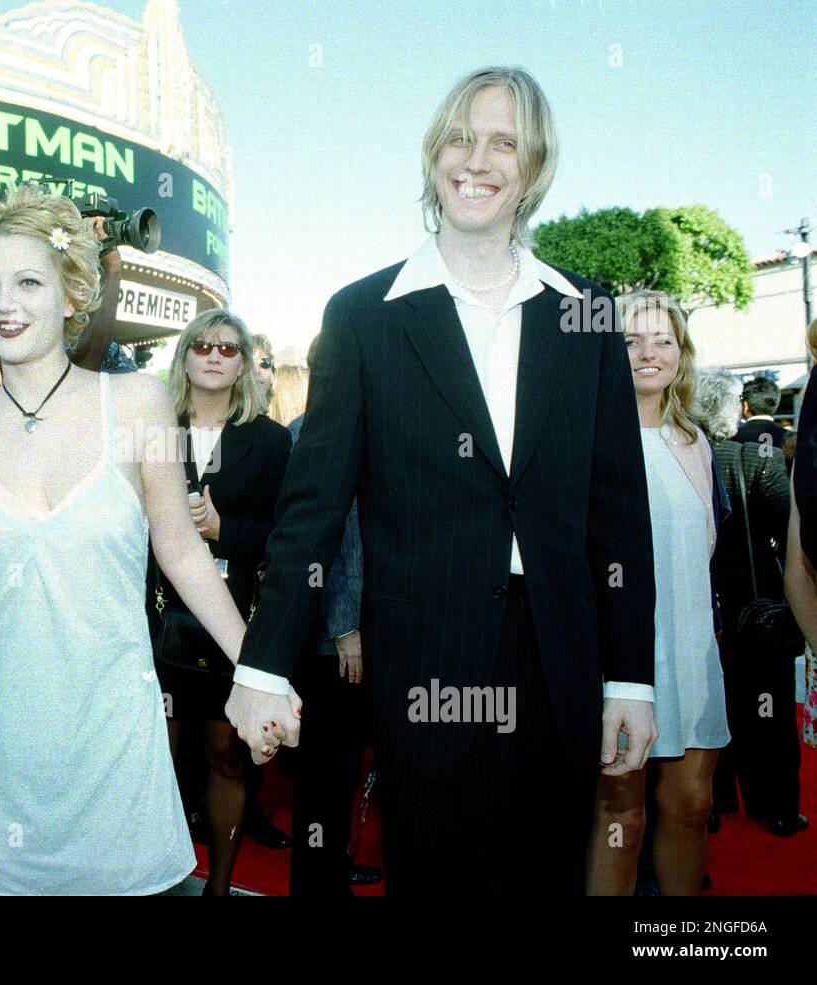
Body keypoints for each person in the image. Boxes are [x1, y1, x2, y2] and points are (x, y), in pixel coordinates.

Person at [225, 66, 658, 897]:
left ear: (533, 168)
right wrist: (262, 666)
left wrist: (630, 678)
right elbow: (311, 506)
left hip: (561, 665)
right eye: (461, 137)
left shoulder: (588, 315)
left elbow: (617, 515)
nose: (477, 159)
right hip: (427, 668)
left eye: (505, 142)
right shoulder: (364, 314)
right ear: (434, 156)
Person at [0, 183, 250, 895]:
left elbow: (181, 549)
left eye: (28, 282)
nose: (5, 303)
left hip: (111, 748)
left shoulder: (136, 403)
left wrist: (258, 668)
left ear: (70, 294)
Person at [585, 293, 729, 895]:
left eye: (663, 340)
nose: (649, 353)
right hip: (619, 661)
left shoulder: (698, 444)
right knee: (623, 815)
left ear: (682, 353)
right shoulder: (586, 445)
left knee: (692, 805)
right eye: (630, 340)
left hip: (695, 652)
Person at [153, 309, 292, 893]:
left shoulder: (270, 439)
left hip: (228, 618)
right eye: (203, 346)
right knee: (153, 760)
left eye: (228, 349)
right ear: (184, 355)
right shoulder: (154, 428)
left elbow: (288, 534)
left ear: (242, 365)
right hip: (153, 617)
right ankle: (148, 877)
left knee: (225, 757)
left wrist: (222, 530)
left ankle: (219, 887)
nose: (214, 356)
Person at [696, 371, 806, 838]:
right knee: (771, 710)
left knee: (709, 704)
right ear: (735, 408)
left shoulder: (685, 460)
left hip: (703, 605)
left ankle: (715, 803)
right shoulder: (758, 457)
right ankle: (775, 807)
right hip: (757, 607)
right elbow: (789, 530)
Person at [287, 332, 376, 895]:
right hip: (334, 640)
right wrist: (345, 626)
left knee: (344, 768)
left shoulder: (377, 426)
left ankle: (332, 866)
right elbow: (329, 538)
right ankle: (317, 883)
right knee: (326, 771)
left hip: (376, 630)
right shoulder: (309, 433)